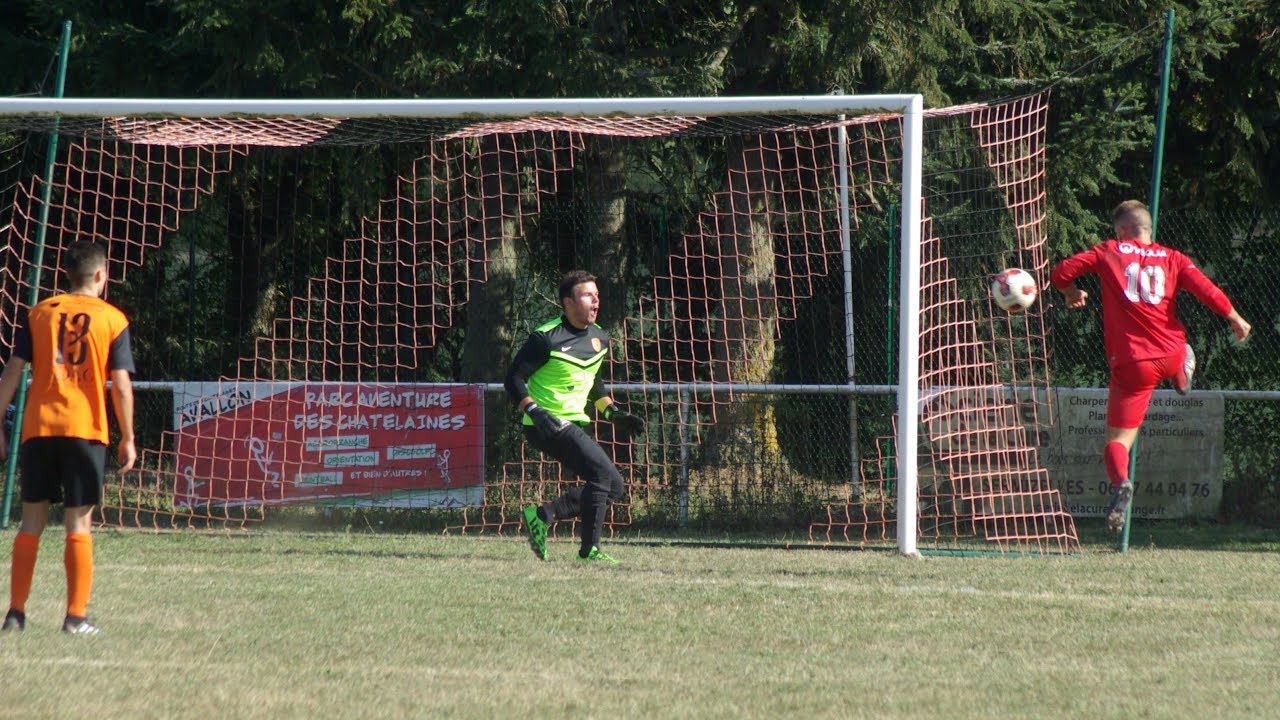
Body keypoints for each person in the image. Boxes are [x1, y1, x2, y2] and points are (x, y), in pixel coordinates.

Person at [1051, 200, 1250, 532]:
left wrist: (1071, 293)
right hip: (1169, 351)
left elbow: (1060, 274)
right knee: (1179, 348)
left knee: (1117, 441)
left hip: (1133, 363)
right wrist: (1235, 318)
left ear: (1121, 230)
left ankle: (1122, 484)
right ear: (1148, 229)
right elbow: (1207, 291)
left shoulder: (1109, 250)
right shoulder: (1174, 258)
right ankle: (1182, 374)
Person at [0, 240, 136, 634]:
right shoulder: (113, 319)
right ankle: (76, 617)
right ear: (100, 275)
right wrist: (127, 436)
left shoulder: (39, 313)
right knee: (78, 524)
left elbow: (11, 373)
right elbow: (121, 386)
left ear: (66, 275)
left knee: (30, 523)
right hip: (85, 429)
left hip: (39, 427)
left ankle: (15, 614)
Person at [505, 270, 644, 564]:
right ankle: (589, 551)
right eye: (587, 295)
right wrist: (533, 409)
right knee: (602, 476)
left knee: (612, 487)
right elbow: (513, 378)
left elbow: (594, 382)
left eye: (596, 295)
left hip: (574, 423)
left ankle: (543, 516)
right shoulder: (545, 338)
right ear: (568, 302)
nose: (595, 301)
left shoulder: (599, 338)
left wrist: (612, 412)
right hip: (546, 423)